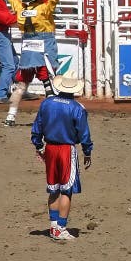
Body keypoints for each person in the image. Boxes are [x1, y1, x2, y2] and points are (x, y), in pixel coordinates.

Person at [30, 68, 93, 241]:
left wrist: (39, 146)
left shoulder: (47, 103)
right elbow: (84, 134)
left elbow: (37, 127)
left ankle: (53, 227)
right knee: (67, 190)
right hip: (66, 149)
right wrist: (87, 152)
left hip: (50, 148)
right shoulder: (77, 108)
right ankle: (61, 228)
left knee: (53, 189)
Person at [2, 0, 69, 126]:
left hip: (28, 51)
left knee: (21, 85)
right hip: (44, 50)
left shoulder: (20, 9)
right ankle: (53, 119)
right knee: (48, 83)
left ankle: (10, 117)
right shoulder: (45, 9)